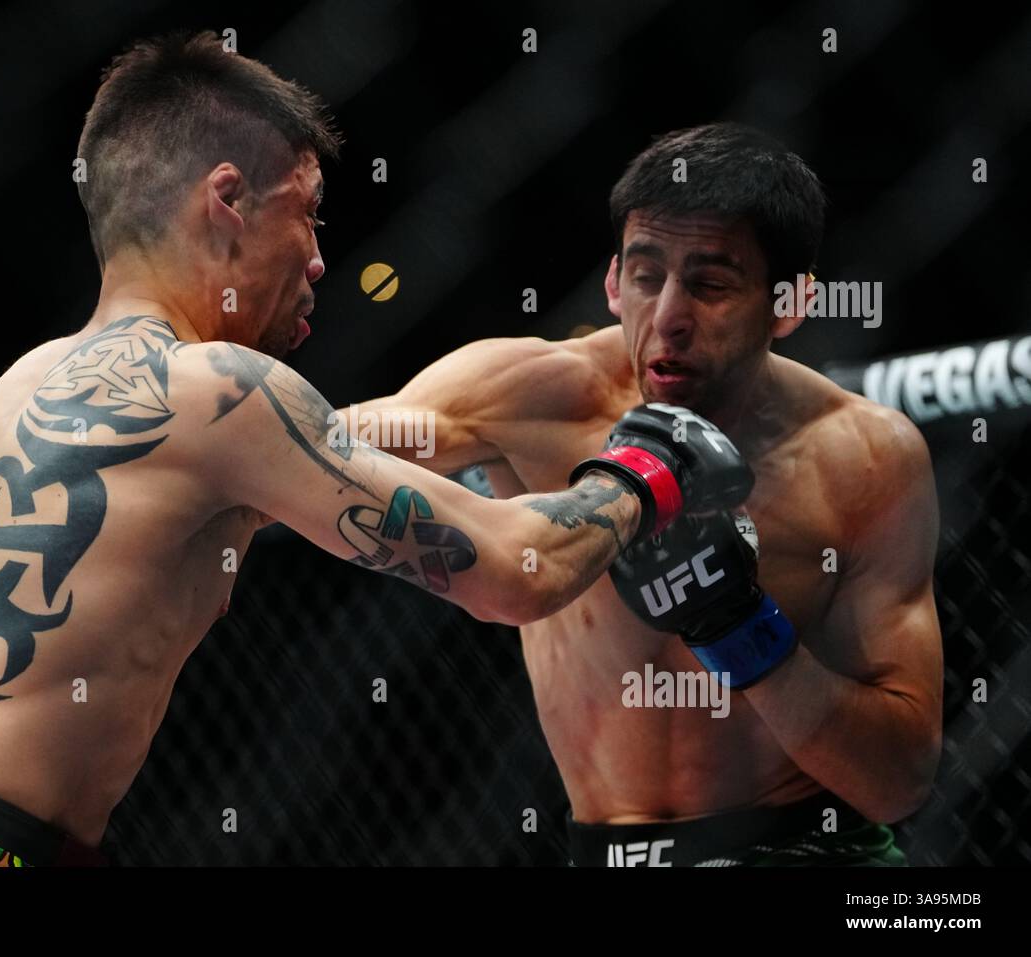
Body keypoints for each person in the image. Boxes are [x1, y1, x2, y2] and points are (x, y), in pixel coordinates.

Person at [0, 34, 748, 867]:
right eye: (309, 211)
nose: (322, 256)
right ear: (227, 200)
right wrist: (649, 474)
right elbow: (511, 569)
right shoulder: (222, 391)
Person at [352, 123, 943, 866]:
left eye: (711, 283)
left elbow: (900, 783)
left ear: (789, 303)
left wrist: (738, 625)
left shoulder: (864, 458)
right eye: (645, 275)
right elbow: (317, 451)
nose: (668, 316)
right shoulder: (531, 395)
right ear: (611, 284)